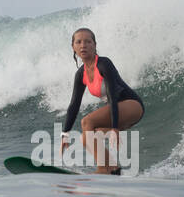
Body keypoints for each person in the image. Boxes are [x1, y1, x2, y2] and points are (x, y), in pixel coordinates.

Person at [59, 28, 144, 174]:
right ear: (73, 46)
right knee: (86, 138)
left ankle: (102, 169)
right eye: (78, 42)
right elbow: (74, 105)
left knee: (86, 122)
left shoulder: (104, 64)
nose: (83, 45)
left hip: (132, 105)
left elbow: (112, 96)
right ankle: (113, 169)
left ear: (95, 45)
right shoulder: (81, 74)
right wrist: (65, 134)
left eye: (88, 41)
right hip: (117, 110)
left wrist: (115, 128)